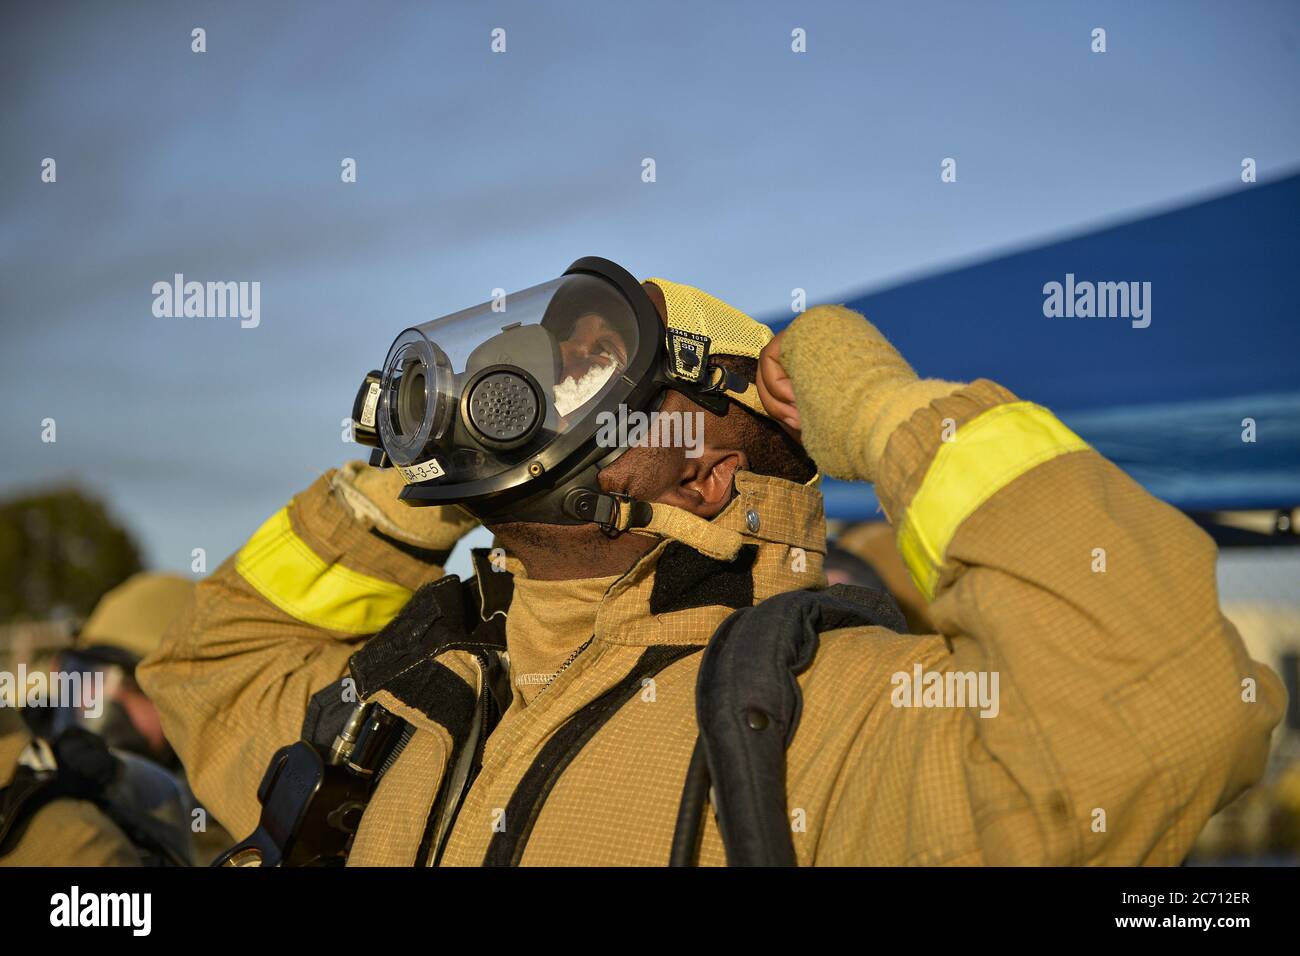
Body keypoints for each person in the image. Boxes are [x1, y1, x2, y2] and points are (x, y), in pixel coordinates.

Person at [140, 258, 1284, 865]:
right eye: (533, 366)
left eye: (592, 369)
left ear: (707, 469)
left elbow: (1163, 707)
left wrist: (886, 409)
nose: (534, 384)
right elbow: (207, 664)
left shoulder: (828, 725)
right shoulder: (400, 697)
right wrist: (421, 462)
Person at [1, 573, 228, 866]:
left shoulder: (229, 828)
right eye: (86, 674)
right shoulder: (15, 761)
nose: (96, 701)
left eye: (133, 687)